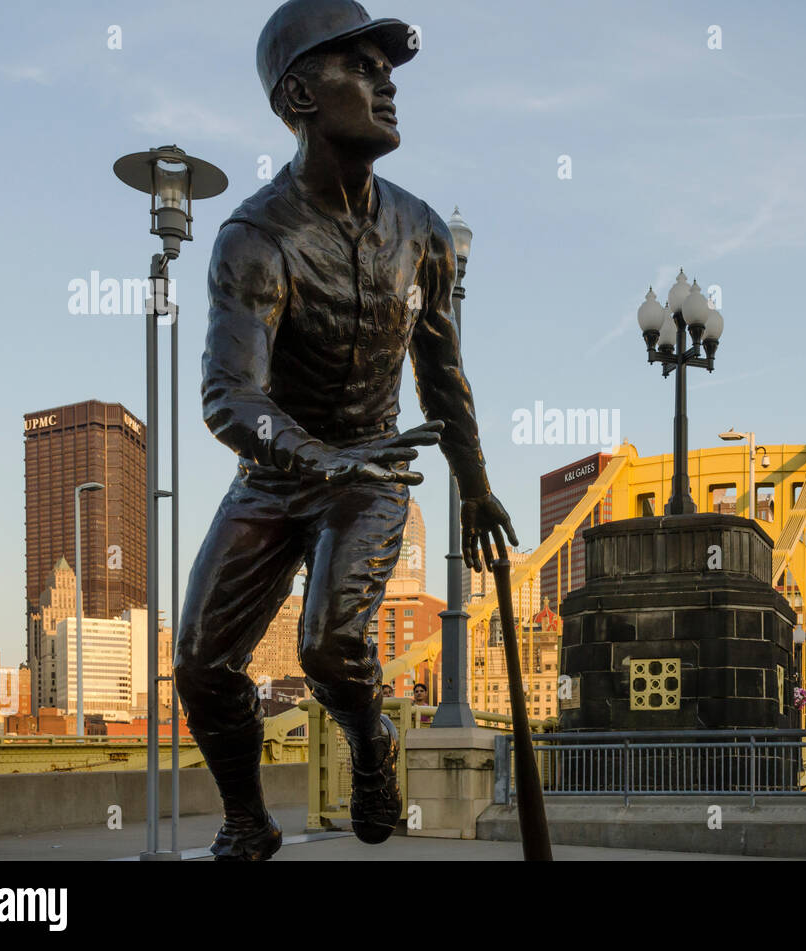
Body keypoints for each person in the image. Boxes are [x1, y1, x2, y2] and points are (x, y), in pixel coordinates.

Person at [174, 0, 517, 861]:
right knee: (200, 662)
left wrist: (475, 488)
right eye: (360, 68)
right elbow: (229, 397)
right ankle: (248, 818)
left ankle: (372, 742)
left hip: (371, 470)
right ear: (298, 95)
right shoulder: (255, 237)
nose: (387, 81)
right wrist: (314, 457)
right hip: (280, 469)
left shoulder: (423, 234)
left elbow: (443, 379)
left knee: (327, 647)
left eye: (386, 66)